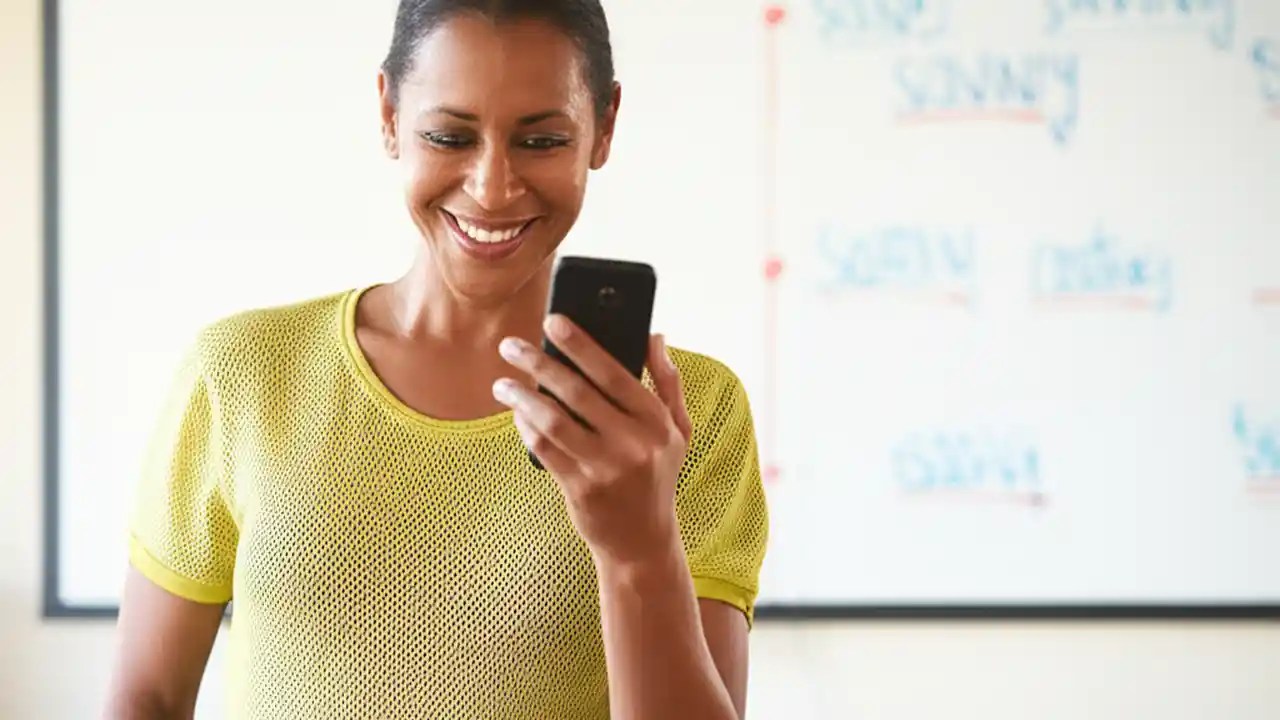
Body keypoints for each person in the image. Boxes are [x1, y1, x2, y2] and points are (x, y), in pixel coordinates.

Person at [103, 1, 769, 718]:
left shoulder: (687, 416)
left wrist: (640, 552)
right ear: (389, 115)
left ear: (603, 128)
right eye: (449, 136)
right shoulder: (243, 374)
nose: (492, 187)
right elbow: (147, 698)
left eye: (542, 140)